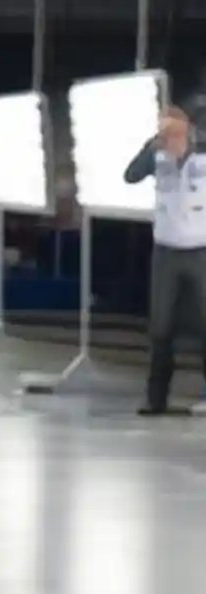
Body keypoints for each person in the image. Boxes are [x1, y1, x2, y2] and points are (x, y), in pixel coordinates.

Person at [123, 106, 206, 416]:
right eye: (162, 134)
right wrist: (149, 148)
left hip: (201, 250)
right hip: (166, 252)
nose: (167, 140)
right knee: (160, 327)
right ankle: (156, 398)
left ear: (186, 132)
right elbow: (130, 176)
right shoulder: (156, 158)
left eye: (172, 134)